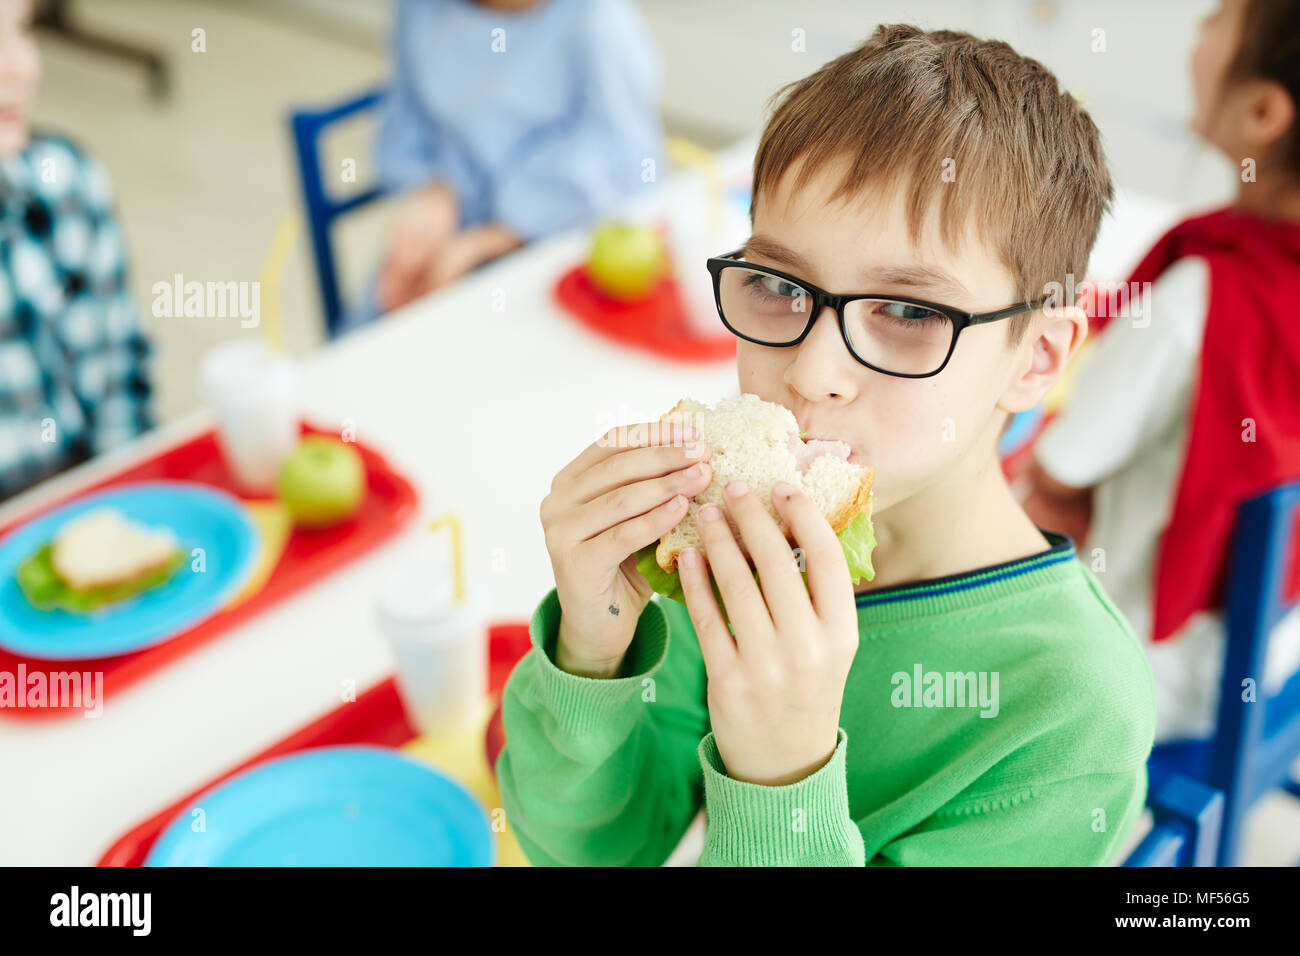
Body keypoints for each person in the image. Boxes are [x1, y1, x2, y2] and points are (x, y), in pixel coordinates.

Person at [496, 24, 1155, 865]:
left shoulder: (1071, 708)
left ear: (1034, 361)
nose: (810, 373)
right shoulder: (735, 551)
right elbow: (602, 851)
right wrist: (593, 656)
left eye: (911, 313)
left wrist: (783, 777)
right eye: (779, 285)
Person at [1022, 0, 1300, 743]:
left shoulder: (1200, 298)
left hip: (1156, 670)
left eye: (1217, 20)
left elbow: (1060, 464)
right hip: (1274, 641)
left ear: (1265, 110)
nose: (1198, 33)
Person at [354, 0, 663, 327]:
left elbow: (617, 155)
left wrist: (492, 239)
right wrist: (436, 190)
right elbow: (406, 118)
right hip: (451, 233)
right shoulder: (420, 10)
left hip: (571, 242)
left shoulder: (597, 20)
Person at [0, 0, 153, 501]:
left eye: (20, 27)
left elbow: (120, 393)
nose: (22, 65)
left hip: (87, 501)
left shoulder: (67, 186)